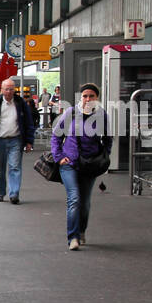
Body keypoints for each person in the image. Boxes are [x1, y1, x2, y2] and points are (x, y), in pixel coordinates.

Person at [51, 82, 110, 250]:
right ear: (80, 97)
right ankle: (73, 238)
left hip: (90, 165)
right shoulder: (71, 113)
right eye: (85, 96)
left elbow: (108, 138)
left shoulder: (102, 116)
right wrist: (59, 157)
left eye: (91, 96)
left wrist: (104, 156)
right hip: (69, 163)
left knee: (85, 203)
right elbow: (56, 136)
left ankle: (81, 230)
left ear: (97, 98)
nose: (88, 99)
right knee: (74, 199)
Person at [0, 77, 35, 203]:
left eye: (11, 89)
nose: (9, 92)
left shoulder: (20, 103)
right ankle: (0, 192)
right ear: (1, 90)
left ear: (15, 90)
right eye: (6, 89)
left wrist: (29, 141)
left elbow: (28, 123)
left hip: (16, 140)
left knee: (15, 167)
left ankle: (14, 194)